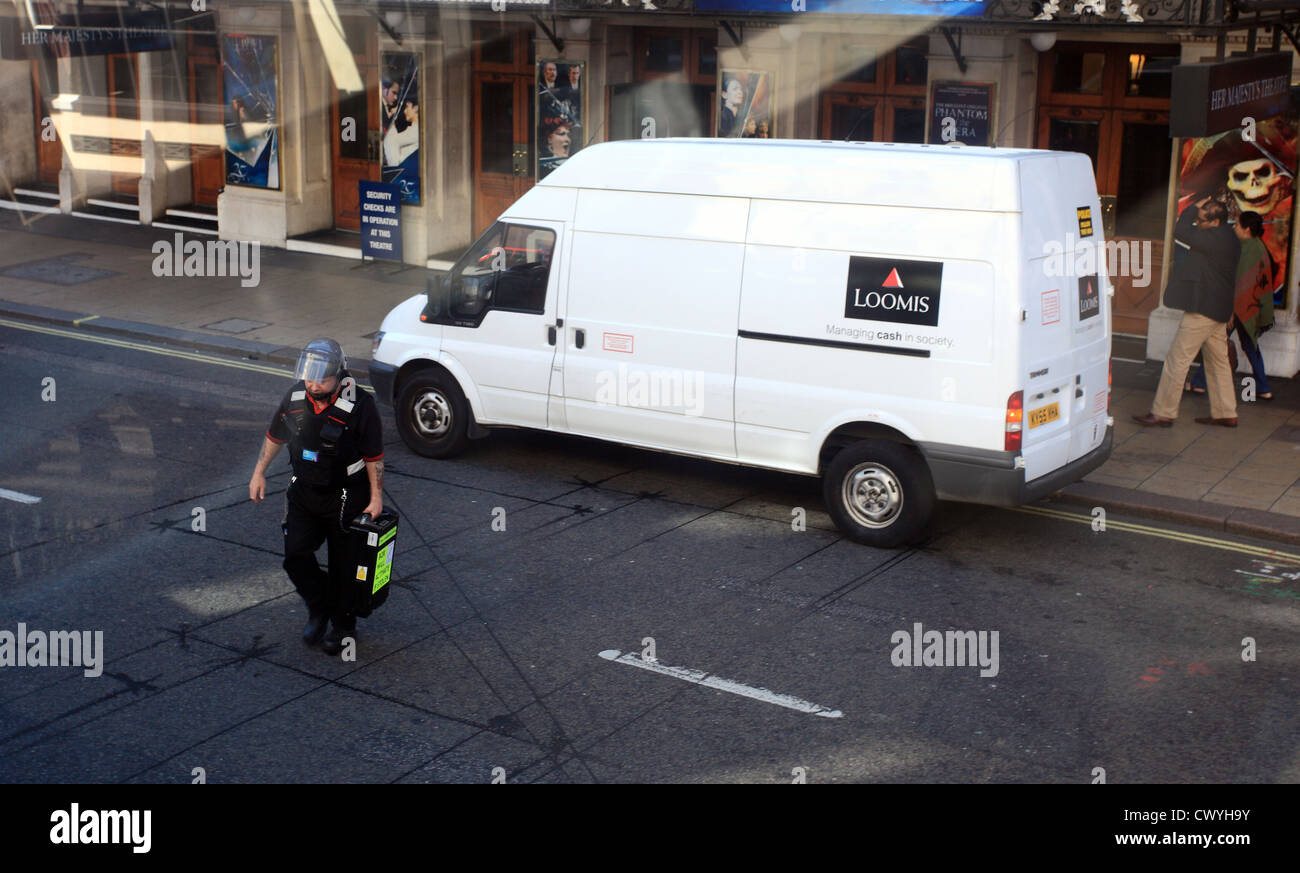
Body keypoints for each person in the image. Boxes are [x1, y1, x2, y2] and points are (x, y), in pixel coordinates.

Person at [249, 339, 384, 655]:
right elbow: (275, 436)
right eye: (310, 376)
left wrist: (376, 498)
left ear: (338, 376)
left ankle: (342, 625)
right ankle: (319, 604)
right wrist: (259, 472)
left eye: (321, 379)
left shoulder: (361, 405)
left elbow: (374, 457)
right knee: (295, 555)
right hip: (304, 491)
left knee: (344, 566)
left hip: (346, 496)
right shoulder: (296, 396)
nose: (313, 384)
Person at [1134, 196, 1241, 428]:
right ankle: (1226, 412)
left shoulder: (1213, 238)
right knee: (1218, 362)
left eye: (1201, 221)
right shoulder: (1229, 237)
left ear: (1214, 222)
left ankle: (1163, 412)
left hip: (1202, 310)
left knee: (1177, 360)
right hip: (1219, 309)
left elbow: (1181, 231)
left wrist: (1192, 207)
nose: (1197, 224)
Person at [1187, 211, 1276, 400]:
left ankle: (1199, 383)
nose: (1234, 227)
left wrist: (1229, 312)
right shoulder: (1258, 247)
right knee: (1250, 347)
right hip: (1250, 308)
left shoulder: (1246, 249)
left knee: (1215, 343)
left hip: (1239, 309)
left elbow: (1238, 283)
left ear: (1247, 229)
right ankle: (1263, 387)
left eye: (1238, 225)